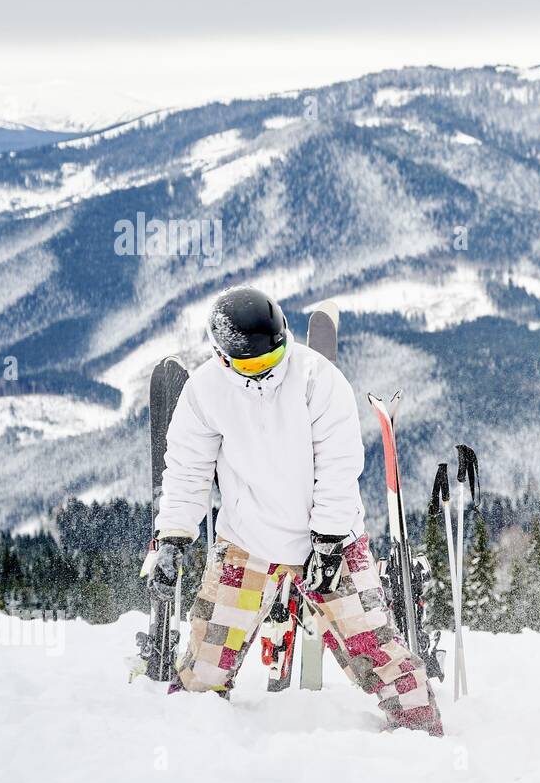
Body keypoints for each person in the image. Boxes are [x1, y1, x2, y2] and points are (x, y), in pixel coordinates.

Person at [146, 285, 442, 735]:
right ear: (222, 357)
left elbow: (339, 467)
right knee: (204, 669)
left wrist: (327, 541)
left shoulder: (318, 379)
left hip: (331, 543)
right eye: (251, 366)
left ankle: (422, 731)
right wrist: (173, 537)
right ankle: (193, 745)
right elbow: (187, 471)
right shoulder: (205, 393)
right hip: (248, 543)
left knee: (375, 648)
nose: (264, 374)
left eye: (271, 360)